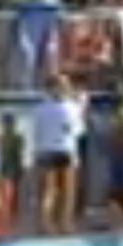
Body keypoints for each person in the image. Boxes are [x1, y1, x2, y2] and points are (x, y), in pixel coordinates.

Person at [32, 76, 85, 235]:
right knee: (68, 190)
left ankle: (46, 223)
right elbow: (78, 131)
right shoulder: (72, 108)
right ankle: (65, 223)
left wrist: (37, 151)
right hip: (65, 149)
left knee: (50, 190)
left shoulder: (40, 109)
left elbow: (37, 132)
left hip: (47, 149)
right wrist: (82, 107)